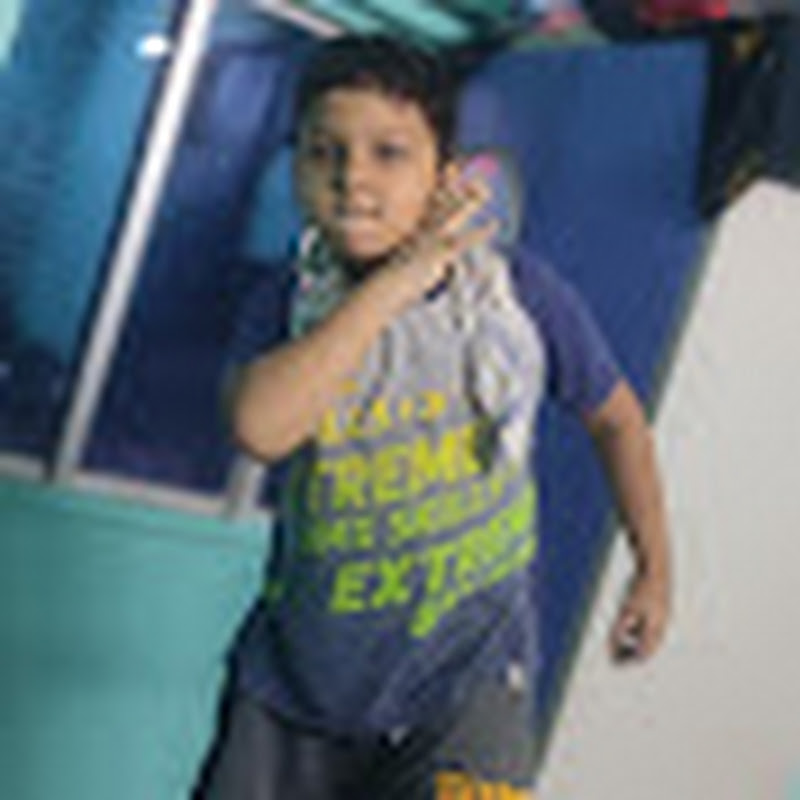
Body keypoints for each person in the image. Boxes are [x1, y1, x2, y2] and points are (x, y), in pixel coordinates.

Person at [194, 34, 671, 800]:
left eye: (388, 153)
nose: (353, 177)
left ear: (445, 177)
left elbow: (617, 420)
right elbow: (261, 428)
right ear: (296, 168)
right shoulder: (285, 302)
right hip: (298, 686)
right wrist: (399, 280)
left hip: (469, 674)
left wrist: (654, 567)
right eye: (325, 152)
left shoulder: (519, 295)